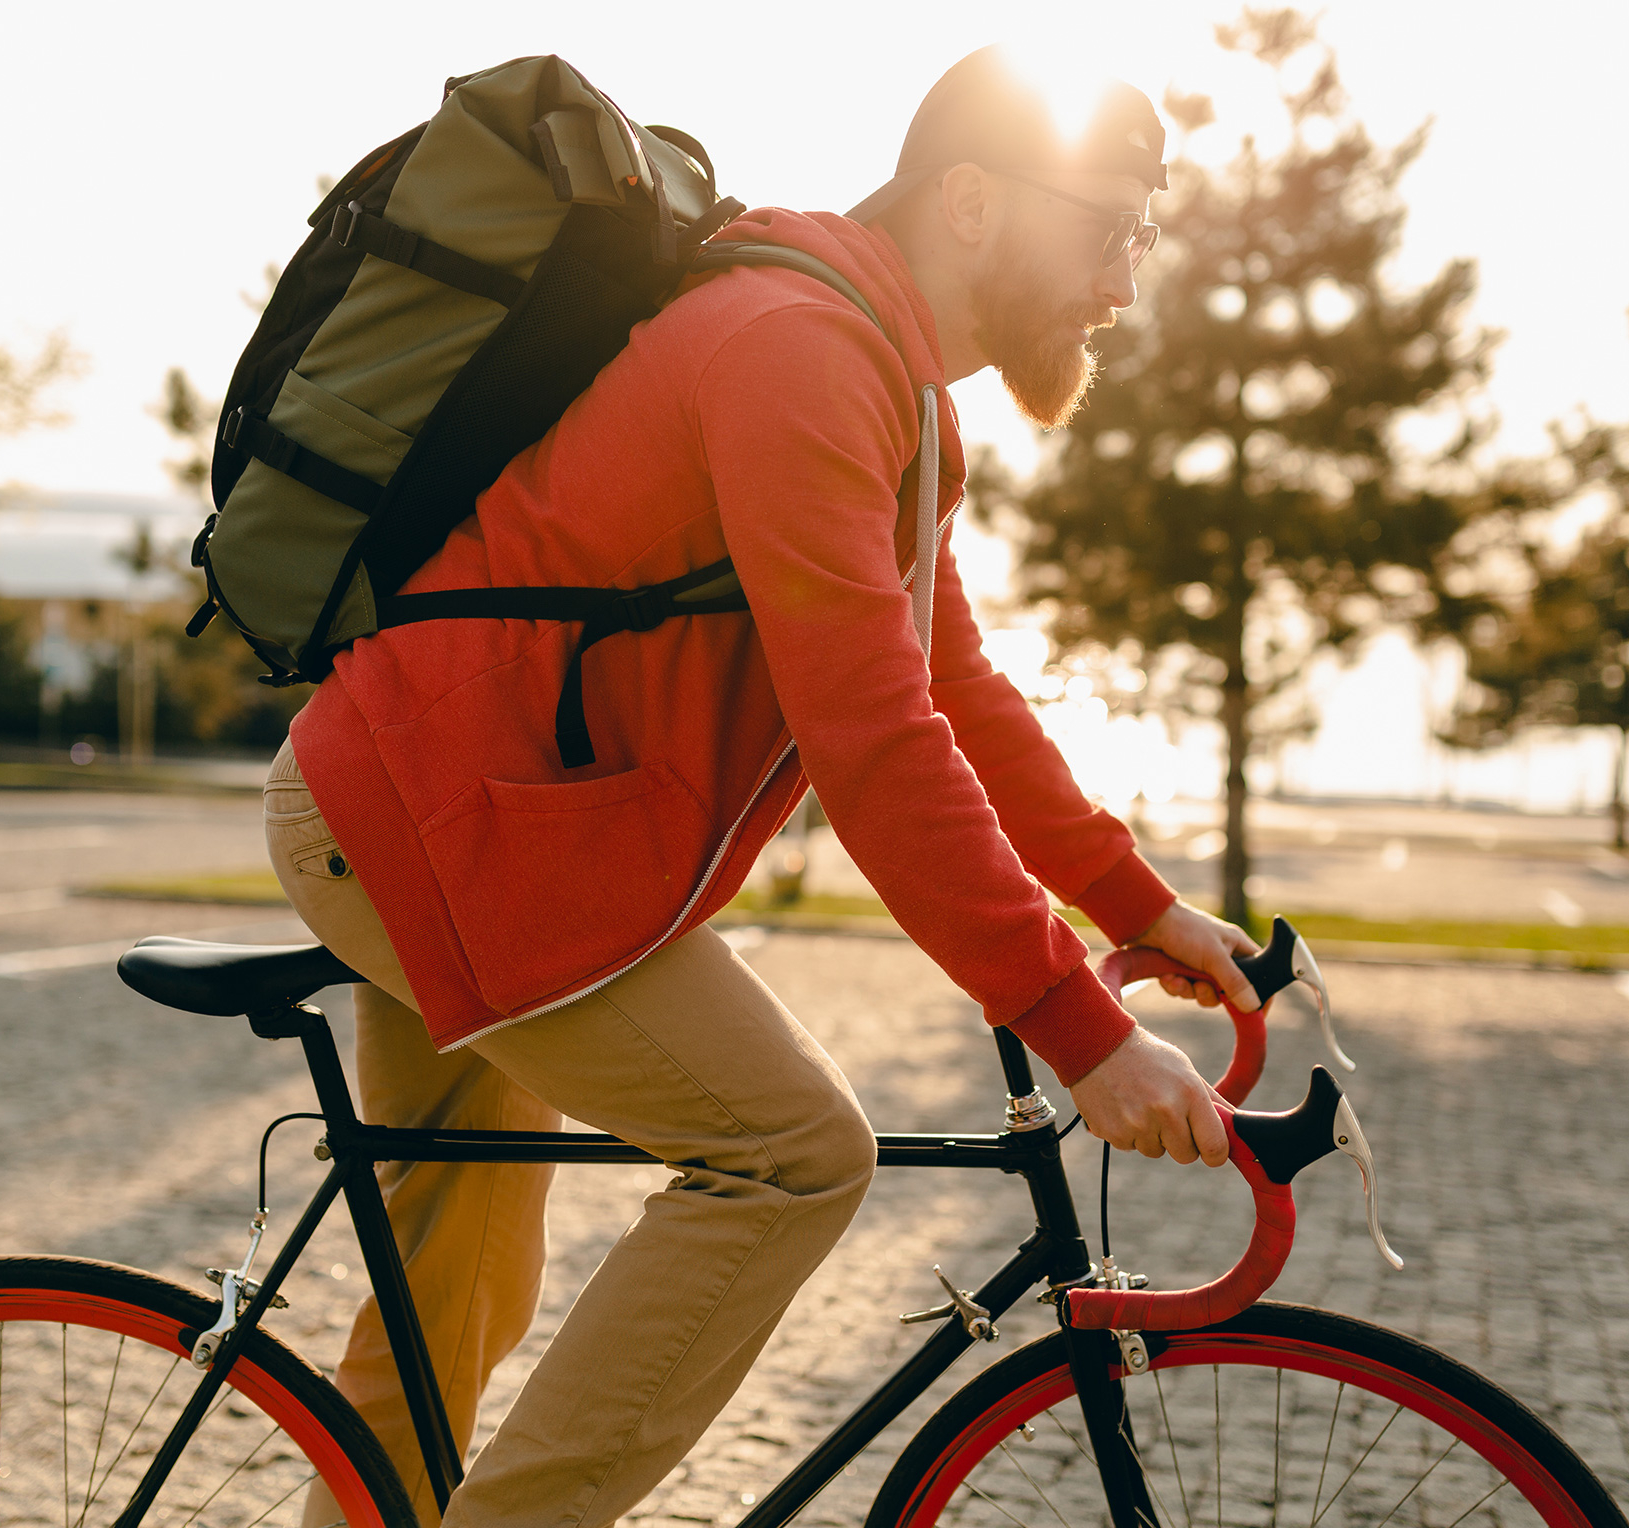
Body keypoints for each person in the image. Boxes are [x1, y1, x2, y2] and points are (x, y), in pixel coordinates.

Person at [266, 45, 1262, 1528]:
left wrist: (1135, 904)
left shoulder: (883, 380)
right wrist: (1078, 1027)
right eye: (1109, 229)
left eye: (1144, 235)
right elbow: (875, 742)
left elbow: (953, 687)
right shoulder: (798, 352)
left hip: (465, 814)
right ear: (974, 201)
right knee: (793, 1153)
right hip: (448, 826)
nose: (1126, 280)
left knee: (452, 1284)